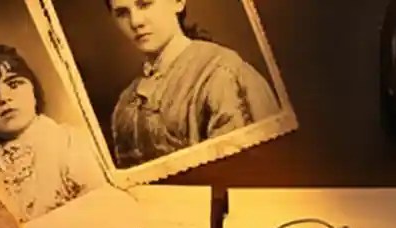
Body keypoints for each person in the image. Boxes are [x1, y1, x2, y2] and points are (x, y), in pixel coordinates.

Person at [106, 0, 281, 168]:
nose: (135, 22)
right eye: (122, 13)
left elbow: (245, 172)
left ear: (178, 2)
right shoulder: (125, 103)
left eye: (145, 4)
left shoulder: (221, 73)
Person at [0, 45, 106, 222]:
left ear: (34, 92)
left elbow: (100, 209)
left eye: (13, 84)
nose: (3, 98)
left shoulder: (68, 141)